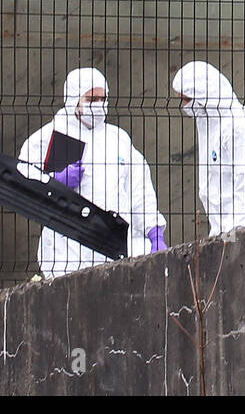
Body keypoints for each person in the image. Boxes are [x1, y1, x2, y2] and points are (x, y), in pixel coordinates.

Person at [18, 67, 168, 278]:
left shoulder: (118, 139)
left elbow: (139, 189)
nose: (99, 105)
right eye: (92, 98)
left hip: (116, 249)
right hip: (66, 254)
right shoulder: (46, 139)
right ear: (74, 99)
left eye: (103, 98)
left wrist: (154, 233)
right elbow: (22, 185)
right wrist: (54, 182)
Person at [171, 61, 245, 236]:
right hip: (228, 232)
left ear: (201, 95)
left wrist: (232, 238)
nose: (184, 106)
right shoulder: (213, 128)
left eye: (186, 99)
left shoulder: (240, 125)